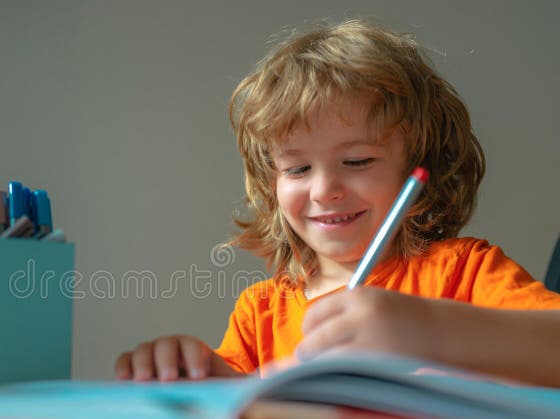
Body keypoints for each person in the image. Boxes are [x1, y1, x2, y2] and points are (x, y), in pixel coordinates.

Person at [114, 19, 560, 386]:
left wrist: (430, 329)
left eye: (357, 160)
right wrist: (193, 372)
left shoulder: (465, 273)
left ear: (418, 168)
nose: (324, 190)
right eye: (297, 169)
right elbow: (240, 406)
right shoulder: (261, 312)